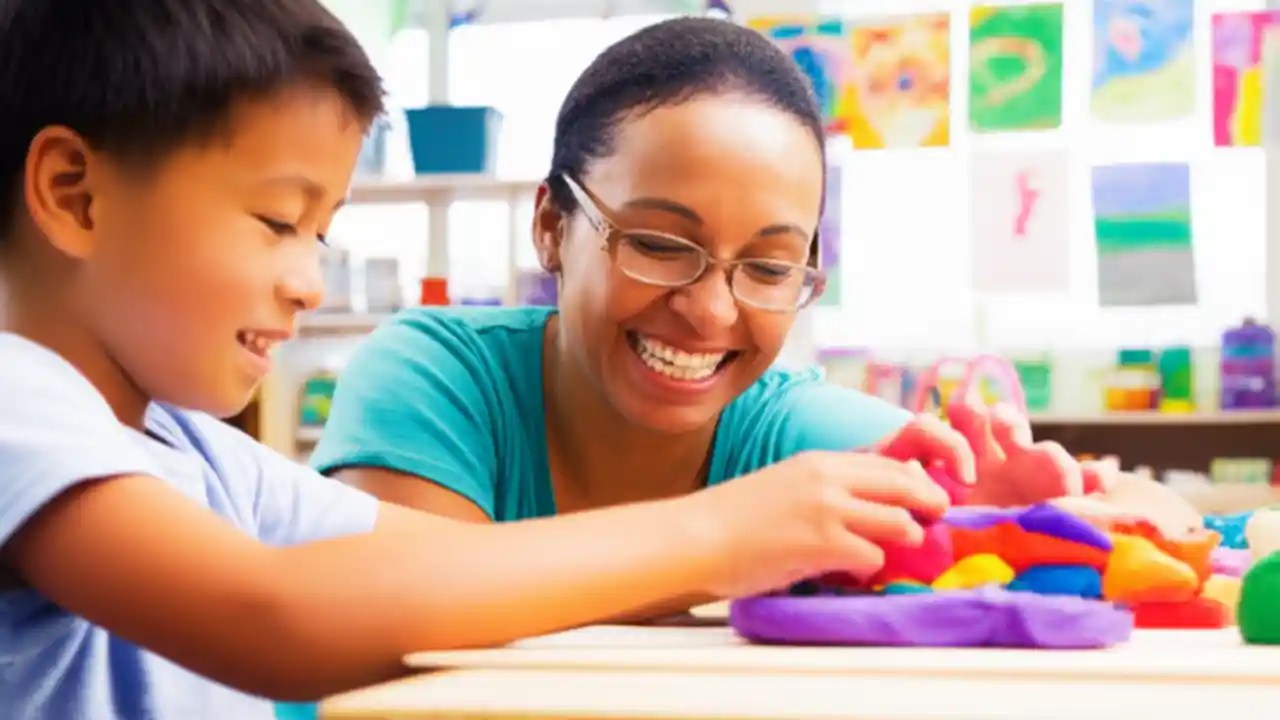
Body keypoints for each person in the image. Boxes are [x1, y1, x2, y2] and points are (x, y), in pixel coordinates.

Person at [0, 3, 990, 718]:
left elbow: (457, 572)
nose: (308, 282)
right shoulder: (16, 398)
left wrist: (980, 506)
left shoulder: (192, 452)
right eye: (276, 222)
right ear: (74, 194)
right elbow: (275, 620)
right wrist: (725, 535)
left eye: (321, 232)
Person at [313, 16, 1107, 621]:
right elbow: (397, 599)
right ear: (552, 226)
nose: (710, 311)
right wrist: (728, 535)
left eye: (767, 268)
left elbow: (1143, 516)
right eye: (660, 244)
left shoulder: (775, 425)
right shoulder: (436, 375)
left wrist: (1009, 521)